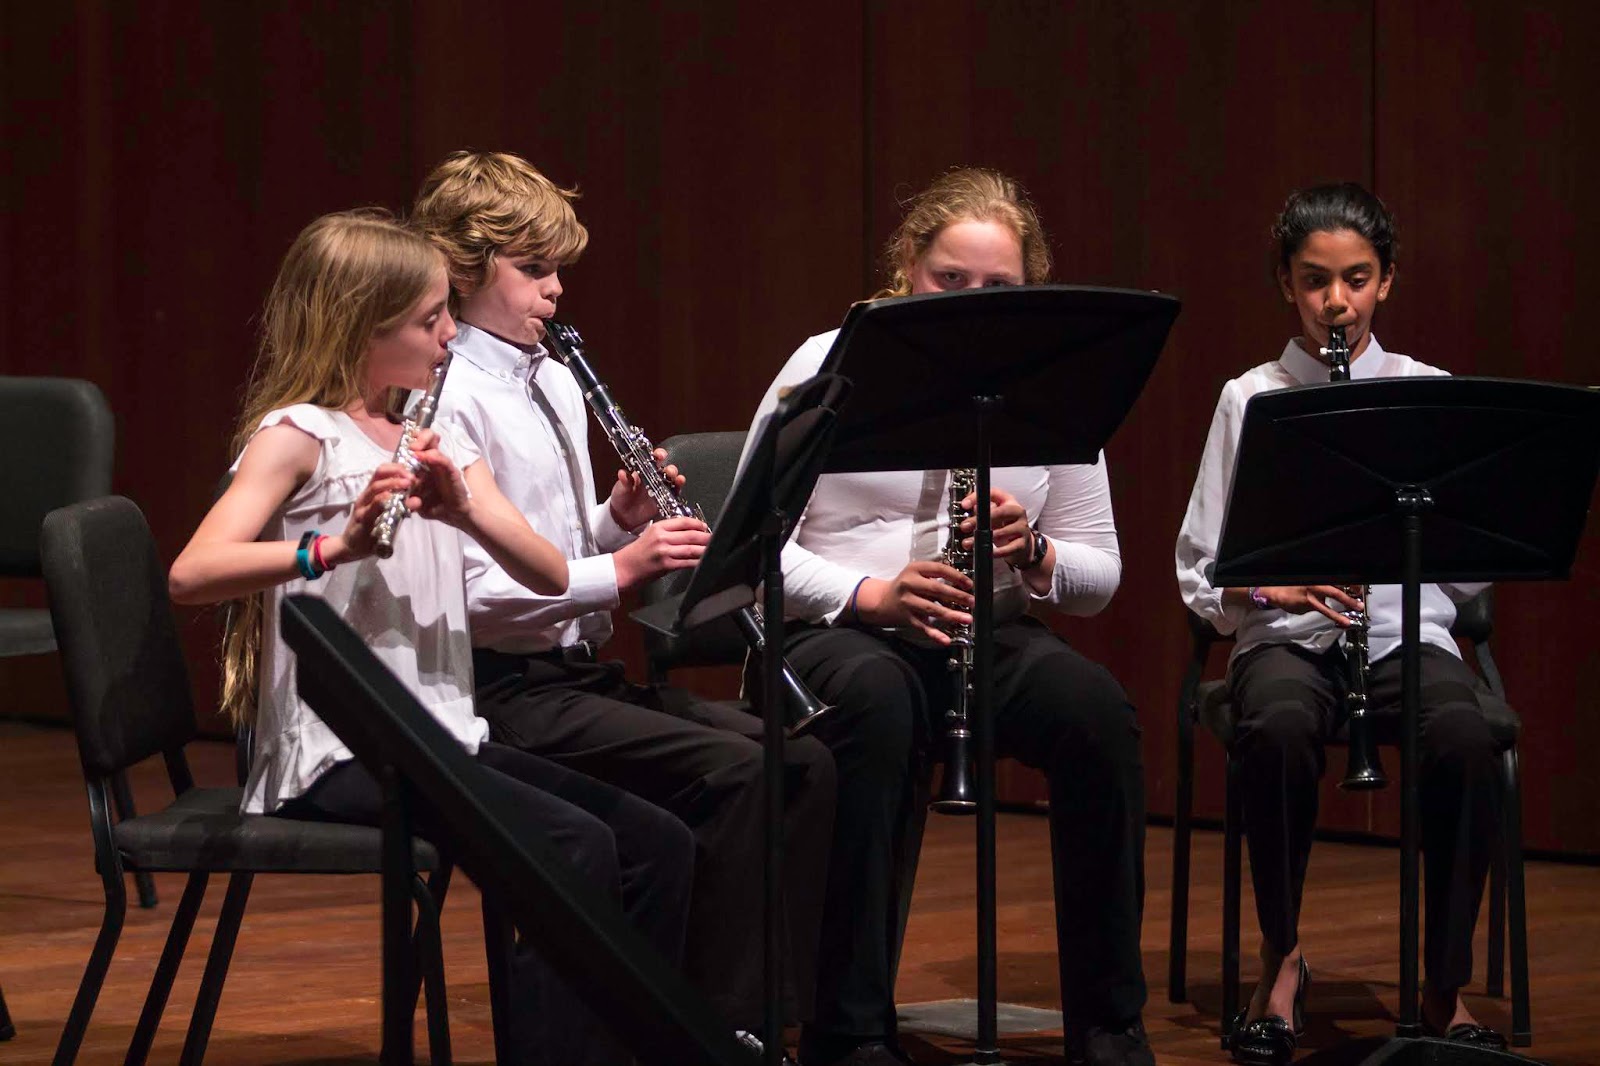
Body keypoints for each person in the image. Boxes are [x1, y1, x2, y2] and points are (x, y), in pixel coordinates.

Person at [169, 209, 696, 1066]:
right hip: (340, 750)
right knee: (574, 846)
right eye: (429, 319)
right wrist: (331, 548)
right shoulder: (298, 436)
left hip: (444, 737)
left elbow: (547, 574)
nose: (451, 333)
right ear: (360, 326)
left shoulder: (428, 437)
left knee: (655, 844)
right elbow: (193, 571)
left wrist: (467, 510)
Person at [410, 149, 836, 1053]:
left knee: (800, 763)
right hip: (498, 689)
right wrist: (626, 570)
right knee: (740, 775)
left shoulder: (552, 375)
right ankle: (707, 1031)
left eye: (559, 268)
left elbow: (554, 554)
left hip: (571, 673)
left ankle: (744, 1017)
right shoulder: (447, 401)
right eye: (534, 269)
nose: (557, 289)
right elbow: (468, 597)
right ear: (464, 269)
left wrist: (614, 521)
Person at [744, 168, 1153, 1066]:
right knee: (880, 705)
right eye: (950, 279)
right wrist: (871, 594)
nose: (972, 300)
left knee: (1095, 712)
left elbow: (1100, 575)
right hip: (838, 630)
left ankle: (1109, 1026)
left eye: (997, 286)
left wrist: (1033, 551)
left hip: (987, 628)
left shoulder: (1054, 387)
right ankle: (849, 1031)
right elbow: (755, 544)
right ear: (907, 267)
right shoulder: (826, 362)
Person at [1175, 182, 1509, 1063]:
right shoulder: (1250, 398)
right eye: (1315, 280)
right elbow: (1199, 569)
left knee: (1465, 740)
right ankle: (1282, 959)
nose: (1336, 301)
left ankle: (1443, 984)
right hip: (1286, 640)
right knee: (1279, 728)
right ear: (1286, 284)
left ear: (1385, 281)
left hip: (1405, 636)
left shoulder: (1426, 392)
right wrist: (1271, 592)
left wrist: (1416, 538)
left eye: (1356, 279)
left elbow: (1473, 564)